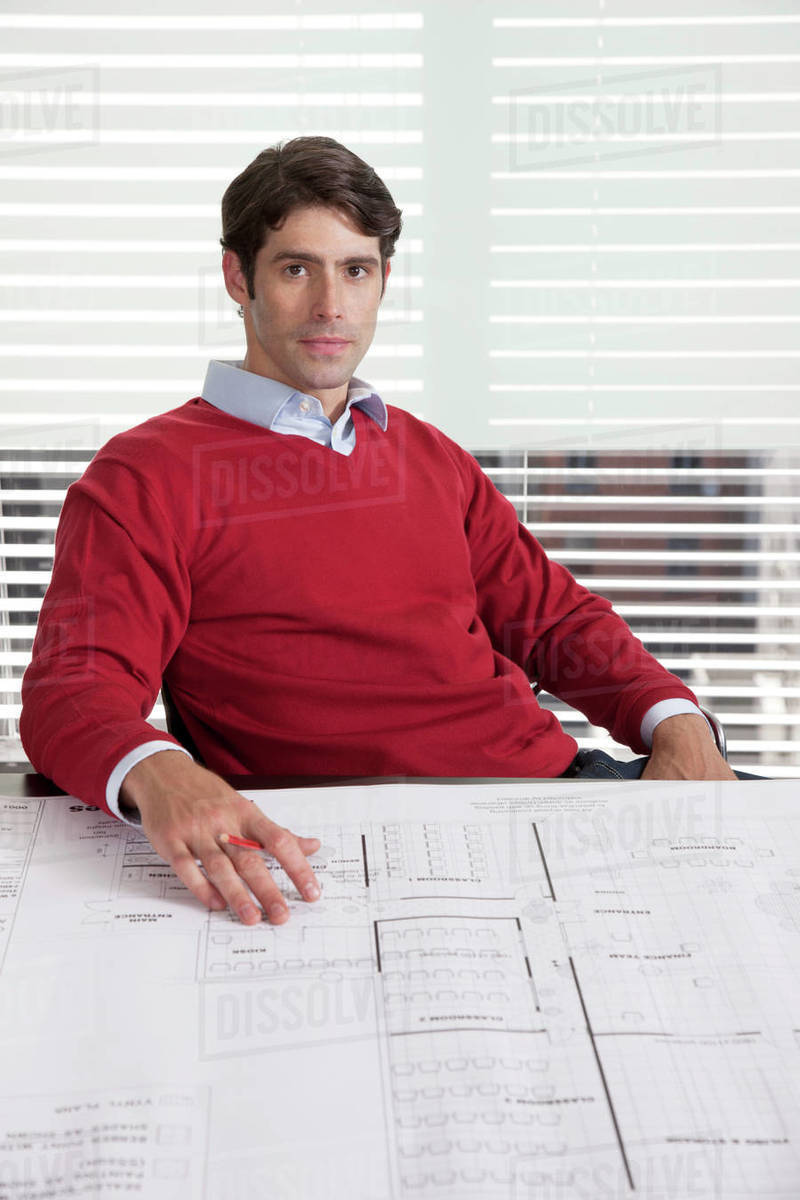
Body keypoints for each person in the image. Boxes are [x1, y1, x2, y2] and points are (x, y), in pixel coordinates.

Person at [20, 136, 737, 929]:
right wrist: (162, 771)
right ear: (237, 277)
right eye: (297, 269)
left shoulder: (430, 455)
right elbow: (72, 693)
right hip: (344, 849)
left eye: (355, 270)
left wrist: (674, 720)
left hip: (557, 797)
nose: (331, 305)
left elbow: (558, 623)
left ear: (383, 282)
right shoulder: (143, 476)